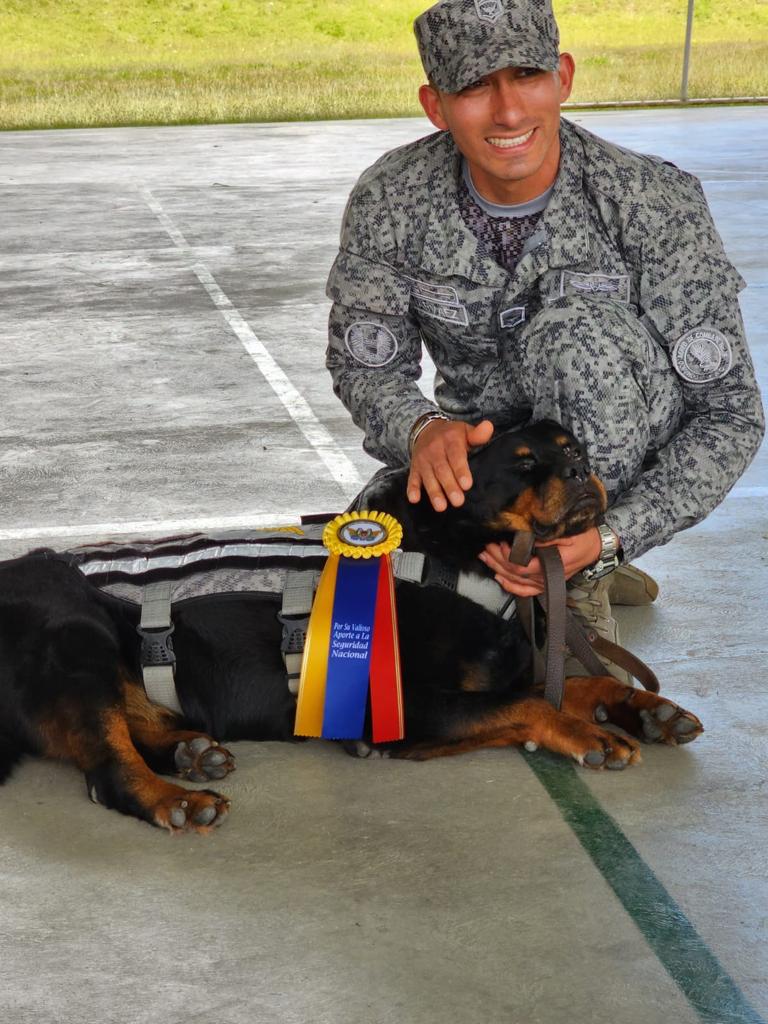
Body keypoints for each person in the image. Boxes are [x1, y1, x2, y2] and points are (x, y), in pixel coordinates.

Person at [324, 0, 765, 660]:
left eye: (526, 76)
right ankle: (544, 555)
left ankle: (579, 577)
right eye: (474, 87)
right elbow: (366, 361)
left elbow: (730, 415)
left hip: (620, 441)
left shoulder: (649, 201)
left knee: (573, 334)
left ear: (562, 76)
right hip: (493, 451)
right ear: (435, 105)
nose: (507, 113)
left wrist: (615, 533)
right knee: (367, 542)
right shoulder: (392, 198)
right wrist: (422, 430)